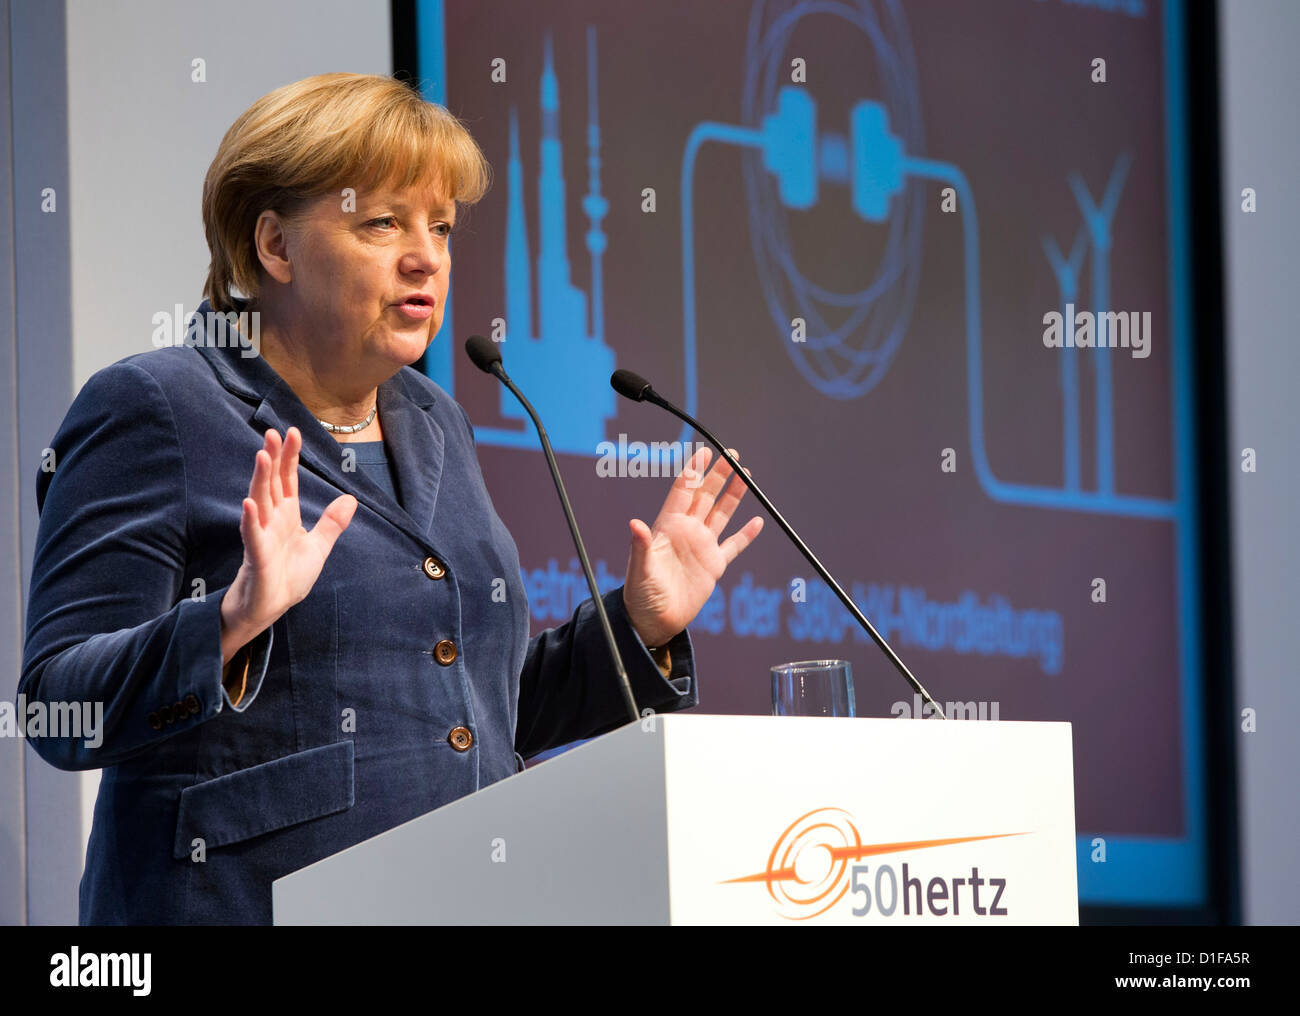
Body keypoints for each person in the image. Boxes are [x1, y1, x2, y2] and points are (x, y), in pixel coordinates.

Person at [19, 72, 763, 925]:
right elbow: (56, 704)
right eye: (382, 222)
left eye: (440, 226)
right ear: (275, 246)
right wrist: (227, 623)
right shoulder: (158, 408)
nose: (427, 256)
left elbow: (480, 707)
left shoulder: (434, 416)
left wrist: (638, 625)